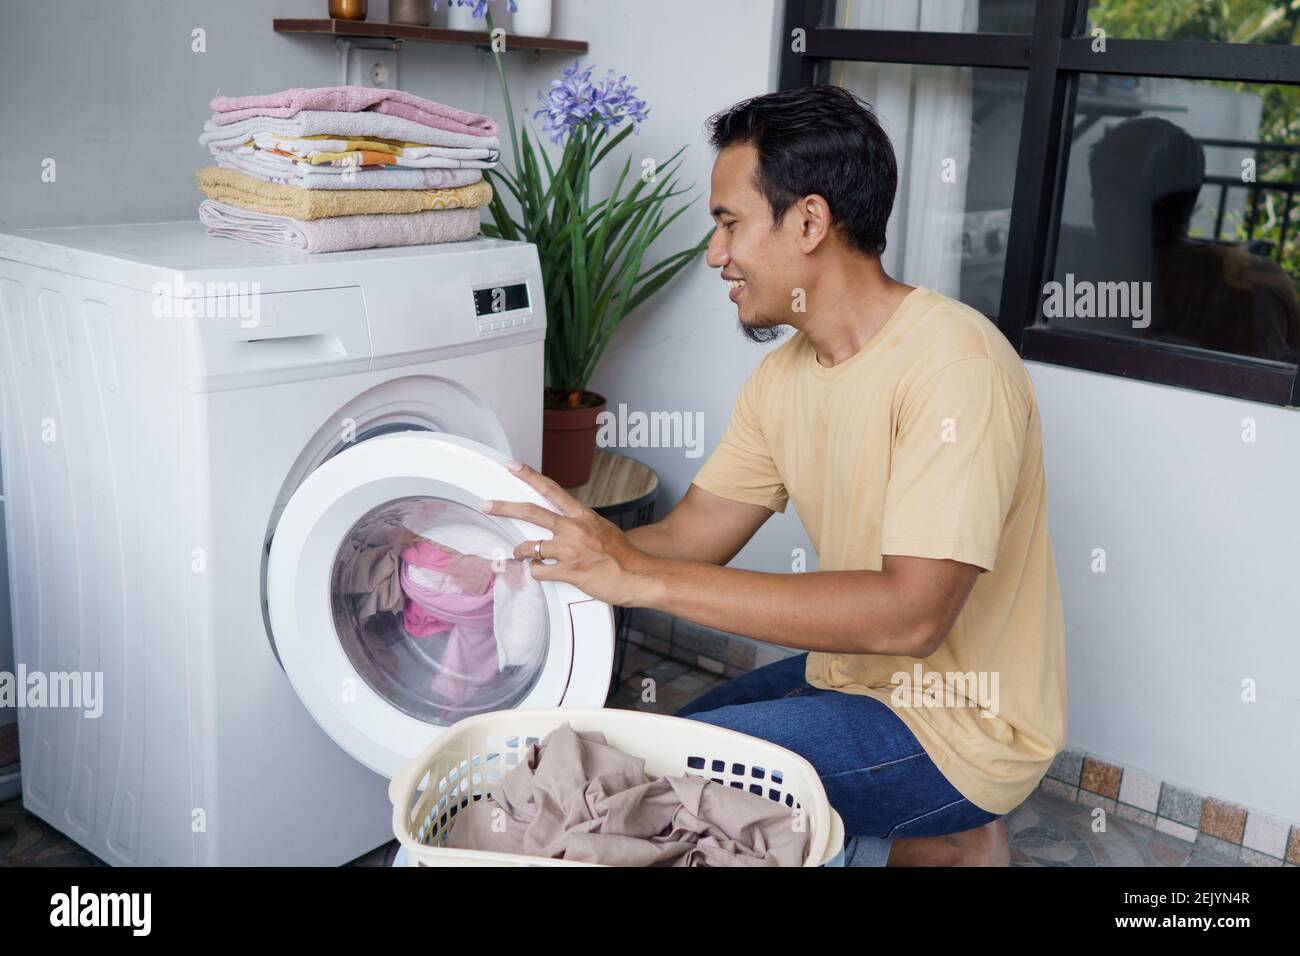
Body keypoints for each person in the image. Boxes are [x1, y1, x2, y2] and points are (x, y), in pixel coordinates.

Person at [481, 84, 1066, 867]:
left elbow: (911, 616)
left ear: (811, 222)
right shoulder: (783, 377)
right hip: (858, 679)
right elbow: (690, 536)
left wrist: (644, 582)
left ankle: (950, 823)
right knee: (657, 744)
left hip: (962, 725)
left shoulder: (956, 367)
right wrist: (549, 553)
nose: (716, 254)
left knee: (667, 785)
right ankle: (939, 841)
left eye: (729, 224)